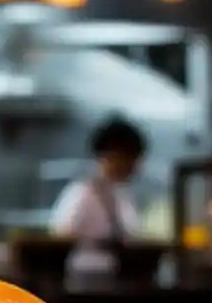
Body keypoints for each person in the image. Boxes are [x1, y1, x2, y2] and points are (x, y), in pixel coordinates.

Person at [49, 117, 146, 273]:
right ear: (110, 156)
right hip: (84, 280)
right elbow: (59, 240)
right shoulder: (81, 195)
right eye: (129, 159)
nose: (134, 167)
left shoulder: (123, 197)